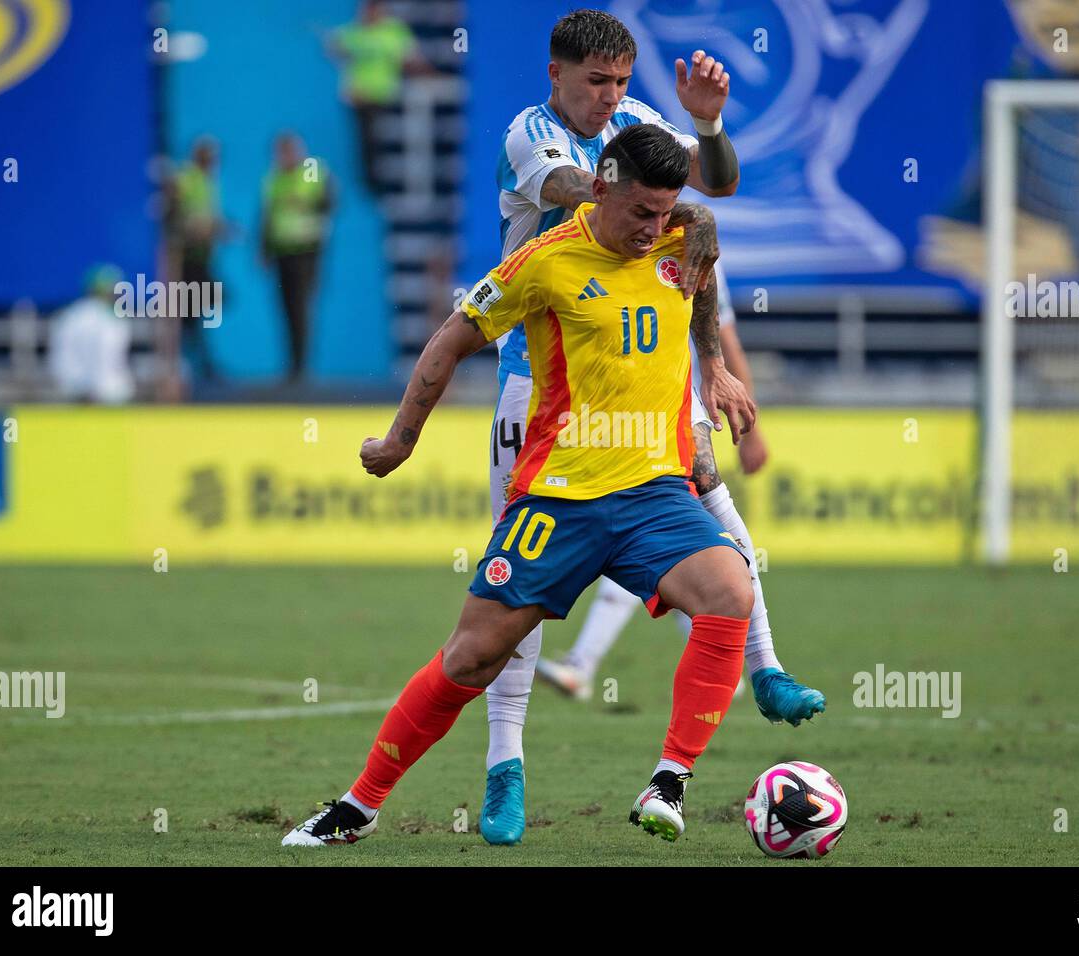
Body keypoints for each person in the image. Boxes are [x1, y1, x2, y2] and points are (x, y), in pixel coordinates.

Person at [283, 124, 757, 849]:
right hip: (558, 497)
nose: (654, 228)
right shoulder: (544, 262)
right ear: (603, 186)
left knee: (731, 588)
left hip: (654, 491)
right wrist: (401, 440)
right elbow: (451, 337)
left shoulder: (681, 238)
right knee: (470, 657)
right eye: (642, 212)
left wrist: (714, 365)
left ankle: (669, 780)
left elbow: (702, 278)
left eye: (667, 212)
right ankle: (358, 805)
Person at [475, 8, 823, 848]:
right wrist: (645, 195)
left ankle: (766, 668)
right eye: (596, 82)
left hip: (643, 380)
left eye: (623, 83)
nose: (611, 98)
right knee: (510, 601)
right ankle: (504, 766)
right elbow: (572, 191)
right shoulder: (531, 135)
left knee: (717, 511)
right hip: (543, 391)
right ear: (556, 75)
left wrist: (703, 125)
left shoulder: (637, 127)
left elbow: (719, 184)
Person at [535, 275, 773, 699]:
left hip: (675, 425)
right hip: (617, 423)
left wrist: (751, 429)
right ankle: (729, 664)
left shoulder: (696, 256)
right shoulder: (600, 252)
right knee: (668, 547)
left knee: (659, 538)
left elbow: (725, 342)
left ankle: (585, 663)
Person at [326, 0, 432, 194]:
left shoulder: (394, 32)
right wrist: (333, 46)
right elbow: (335, 51)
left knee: (381, 144)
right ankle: (372, 187)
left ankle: (385, 185)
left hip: (385, 98)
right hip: (359, 99)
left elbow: (411, 59)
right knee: (366, 146)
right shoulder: (353, 32)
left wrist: (429, 74)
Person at [259, 133, 334, 382]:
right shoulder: (274, 180)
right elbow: (266, 217)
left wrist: (305, 203)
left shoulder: (313, 172)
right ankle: (293, 365)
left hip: (307, 250)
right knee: (286, 308)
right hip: (283, 252)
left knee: (301, 306)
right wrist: (264, 251)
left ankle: (300, 367)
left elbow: (329, 202)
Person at [165, 136, 227, 383]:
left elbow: (208, 218)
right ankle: (196, 364)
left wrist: (219, 229)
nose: (213, 161)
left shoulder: (208, 181)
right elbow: (173, 215)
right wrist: (192, 230)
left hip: (202, 257)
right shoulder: (185, 179)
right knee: (192, 311)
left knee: (198, 311)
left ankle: (199, 362)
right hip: (186, 258)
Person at [48, 264, 135, 405]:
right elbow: (107, 357)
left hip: (72, 389)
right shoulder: (113, 321)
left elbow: (58, 361)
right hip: (107, 394)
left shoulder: (68, 316)